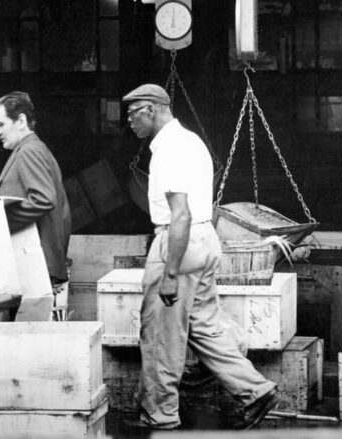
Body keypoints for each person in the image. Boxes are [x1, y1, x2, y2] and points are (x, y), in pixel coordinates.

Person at [121, 83, 279, 432]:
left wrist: (170, 273)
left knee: (162, 335)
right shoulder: (191, 141)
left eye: (133, 115)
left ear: (151, 109)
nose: (129, 123)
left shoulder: (169, 150)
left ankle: (159, 416)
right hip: (206, 239)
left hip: (178, 243)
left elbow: (180, 215)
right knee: (206, 327)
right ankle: (256, 390)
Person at [0, 91, 71, 290]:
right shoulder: (31, 149)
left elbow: (43, 199)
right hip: (34, 262)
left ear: (21, 121)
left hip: (34, 263)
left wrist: (0, 222)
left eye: (0, 124)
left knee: (29, 320)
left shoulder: (29, 151)